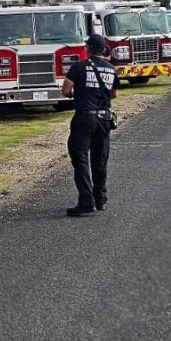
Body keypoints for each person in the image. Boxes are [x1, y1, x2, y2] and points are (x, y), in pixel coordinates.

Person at [61, 33, 119, 216]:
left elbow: (65, 90)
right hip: (104, 119)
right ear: (103, 50)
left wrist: (79, 94)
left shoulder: (79, 67)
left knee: (81, 159)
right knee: (100, 159)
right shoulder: (111, 69)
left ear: (87, 48)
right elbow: (114, 94)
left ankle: (86, 201)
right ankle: (100, 199)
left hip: (84, 118)